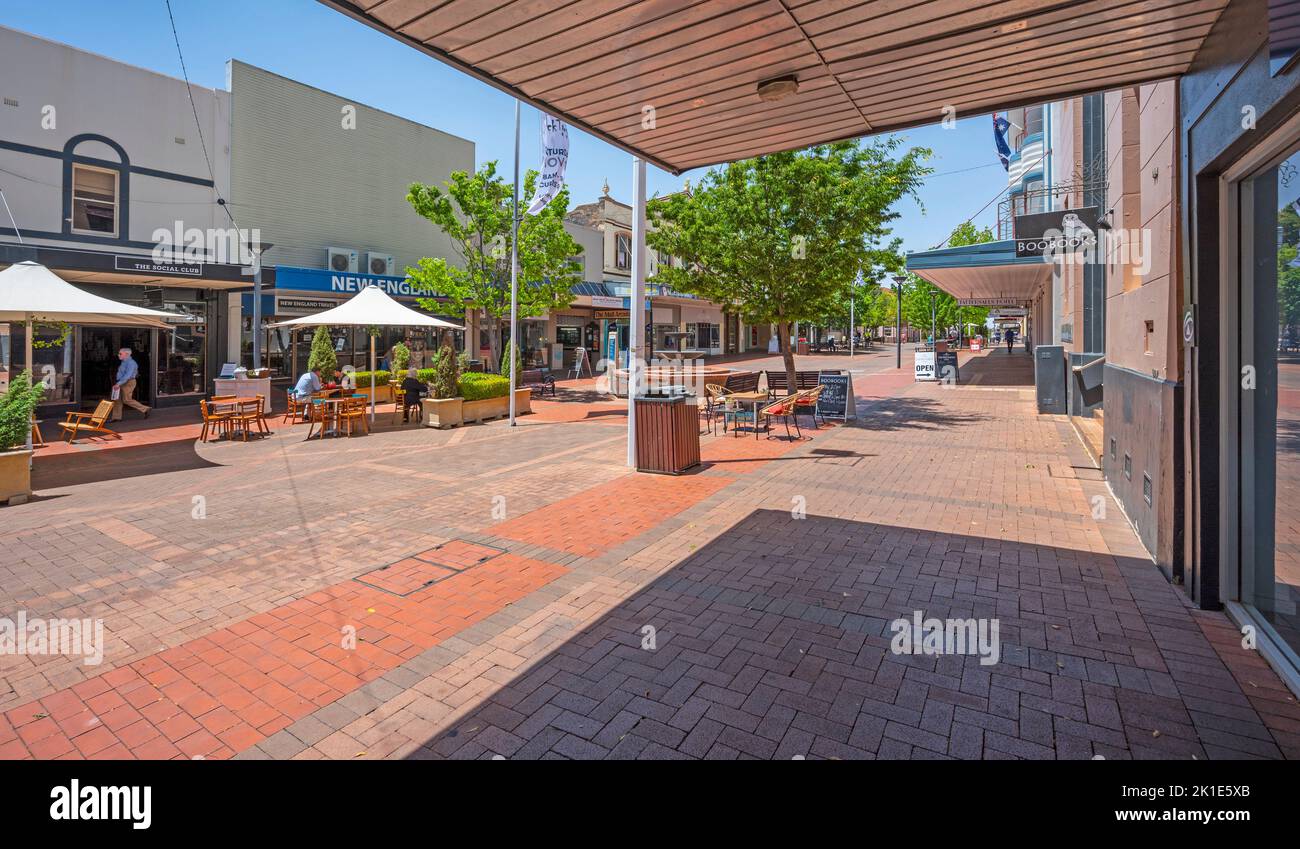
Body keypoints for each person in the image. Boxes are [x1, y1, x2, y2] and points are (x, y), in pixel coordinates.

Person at [110, 347, 150, 422]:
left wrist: (118, 384)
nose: (118, 355)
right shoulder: (124, 362)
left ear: (127, 354)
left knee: (126, 399)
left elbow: (128, 375)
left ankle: (145, 409)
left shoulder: (131, 363)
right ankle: (116, 417)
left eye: (120, 353)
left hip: (128, 382)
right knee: (117, 400)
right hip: (121, 381)